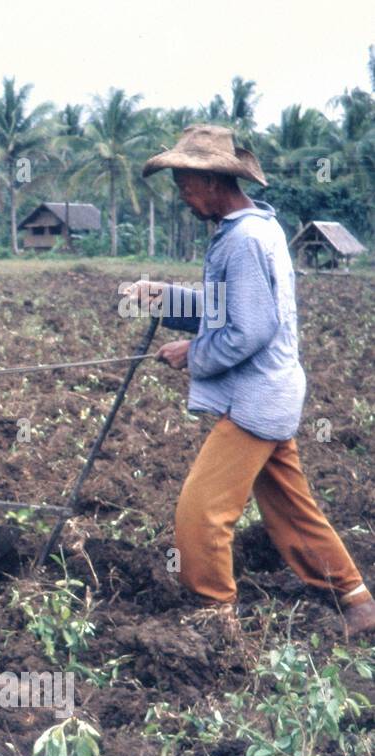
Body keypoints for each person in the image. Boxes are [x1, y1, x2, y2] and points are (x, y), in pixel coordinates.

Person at [125, 124, 373, 638]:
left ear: (214, 181)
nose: (184, 197)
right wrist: (166, 299)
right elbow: (230, 311)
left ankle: (215, 619)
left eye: (186, 185)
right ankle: (357, 599)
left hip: (256, 400)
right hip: (272, 392)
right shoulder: (251, 230)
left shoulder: (242, 242)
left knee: (201, 512)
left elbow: (252, 329)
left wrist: (194, 353)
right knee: (290, 509)